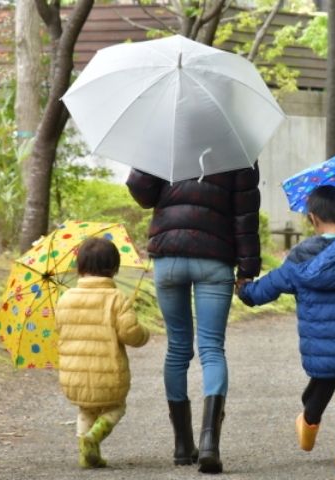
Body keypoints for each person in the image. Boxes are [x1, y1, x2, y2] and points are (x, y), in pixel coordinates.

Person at [237, 185, 335, 470]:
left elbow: (266, 289)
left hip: (323, 348)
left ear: (313, 218)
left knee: (319, 388)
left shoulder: (301, 255)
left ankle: (308, 429)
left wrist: (245, 290)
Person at [127, 165, 260, 474]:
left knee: (177, 349)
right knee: (212, 348)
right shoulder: (238, 146)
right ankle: (210, 443)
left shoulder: (168, 133)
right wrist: (247, 269)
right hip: (215, 259)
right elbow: (245, 215)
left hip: (168, 256)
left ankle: (182, 445)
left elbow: (141, 190)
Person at [55, 237, 150, 468]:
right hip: (109, 375)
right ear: (114, 269)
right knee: (116, 407)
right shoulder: (116, 298)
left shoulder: (66, 298)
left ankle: (86, 454)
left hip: (74, 375)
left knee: (86, 408)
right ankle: (94, 437)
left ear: (80, 267)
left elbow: (60, 329)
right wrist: (144, 334)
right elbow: (130, 334)